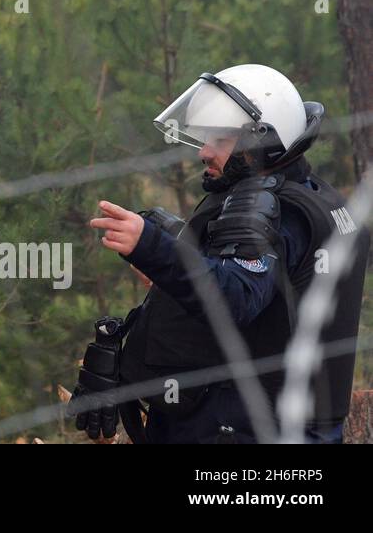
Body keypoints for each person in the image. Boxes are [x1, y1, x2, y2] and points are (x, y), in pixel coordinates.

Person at [73, 64, 369, 443]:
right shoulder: (316, 197)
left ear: (263, 142)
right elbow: (276, 283)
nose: (205, 152)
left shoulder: (272, 209)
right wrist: (176, 253)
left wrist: (151, 246)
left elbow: (235, 298)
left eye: (221, 141)